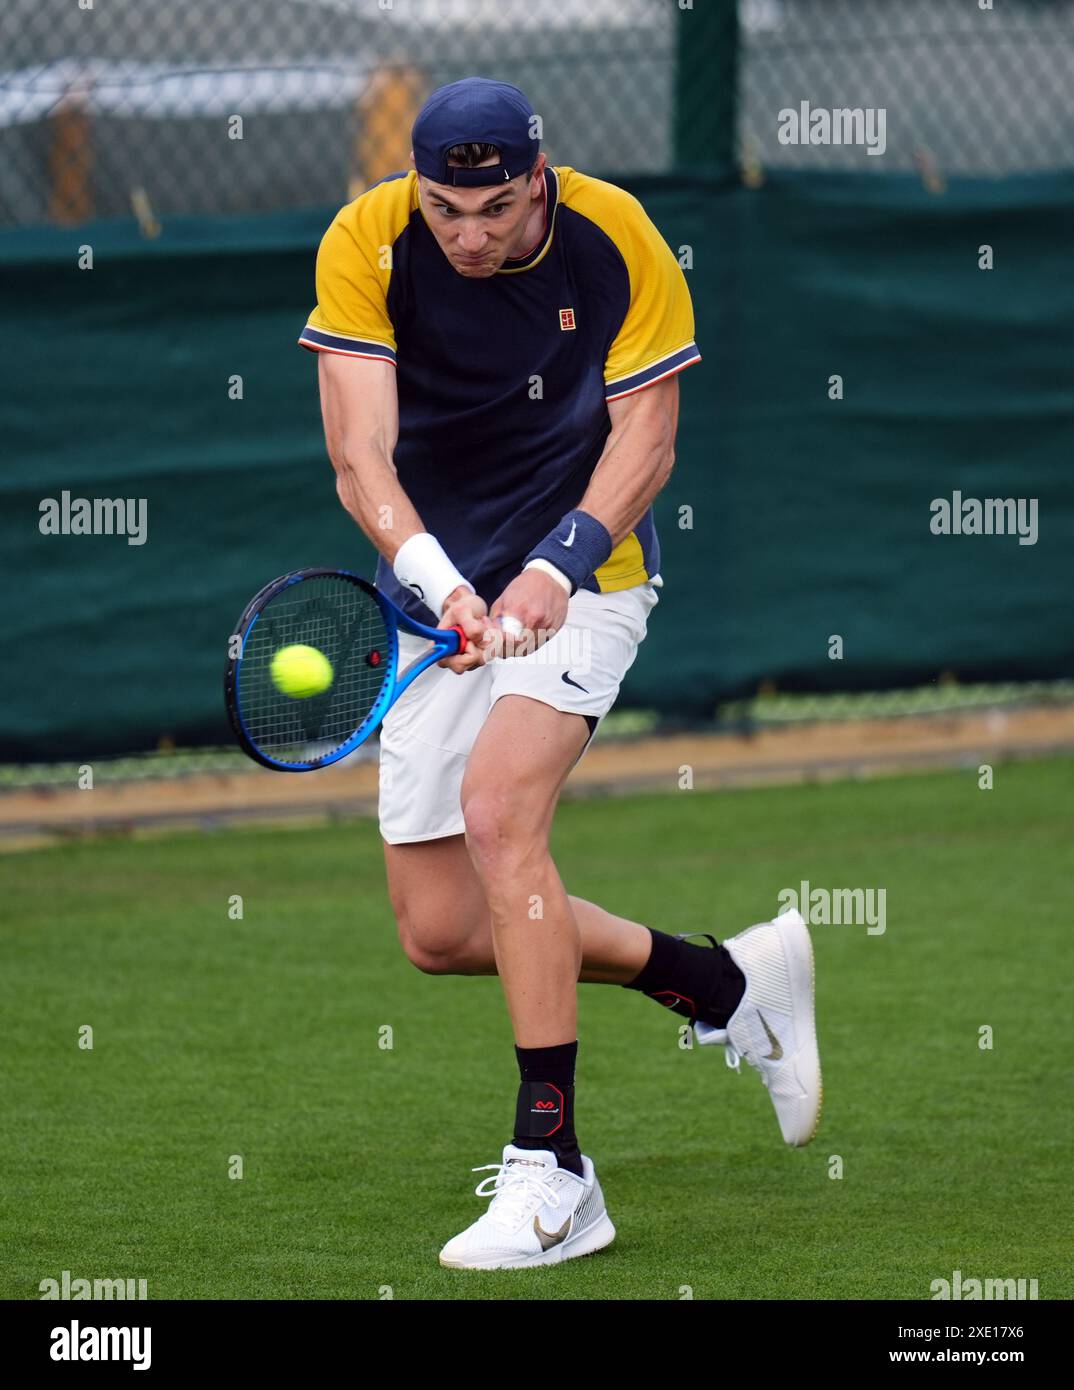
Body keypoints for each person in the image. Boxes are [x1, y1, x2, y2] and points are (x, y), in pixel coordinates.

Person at [299, 76, 821, 1270]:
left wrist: (556, 567)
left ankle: (556, 1170)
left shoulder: (616, 236)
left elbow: (648, 437)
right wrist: (440, 581)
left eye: (491, 207)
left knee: (499, 814)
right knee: (437, 929)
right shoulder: (368, 239)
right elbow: (357, 449)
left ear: (537, 177)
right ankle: (726, 980)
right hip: (434, 602)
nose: (467, 235)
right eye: (445, 210)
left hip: (589, 578)